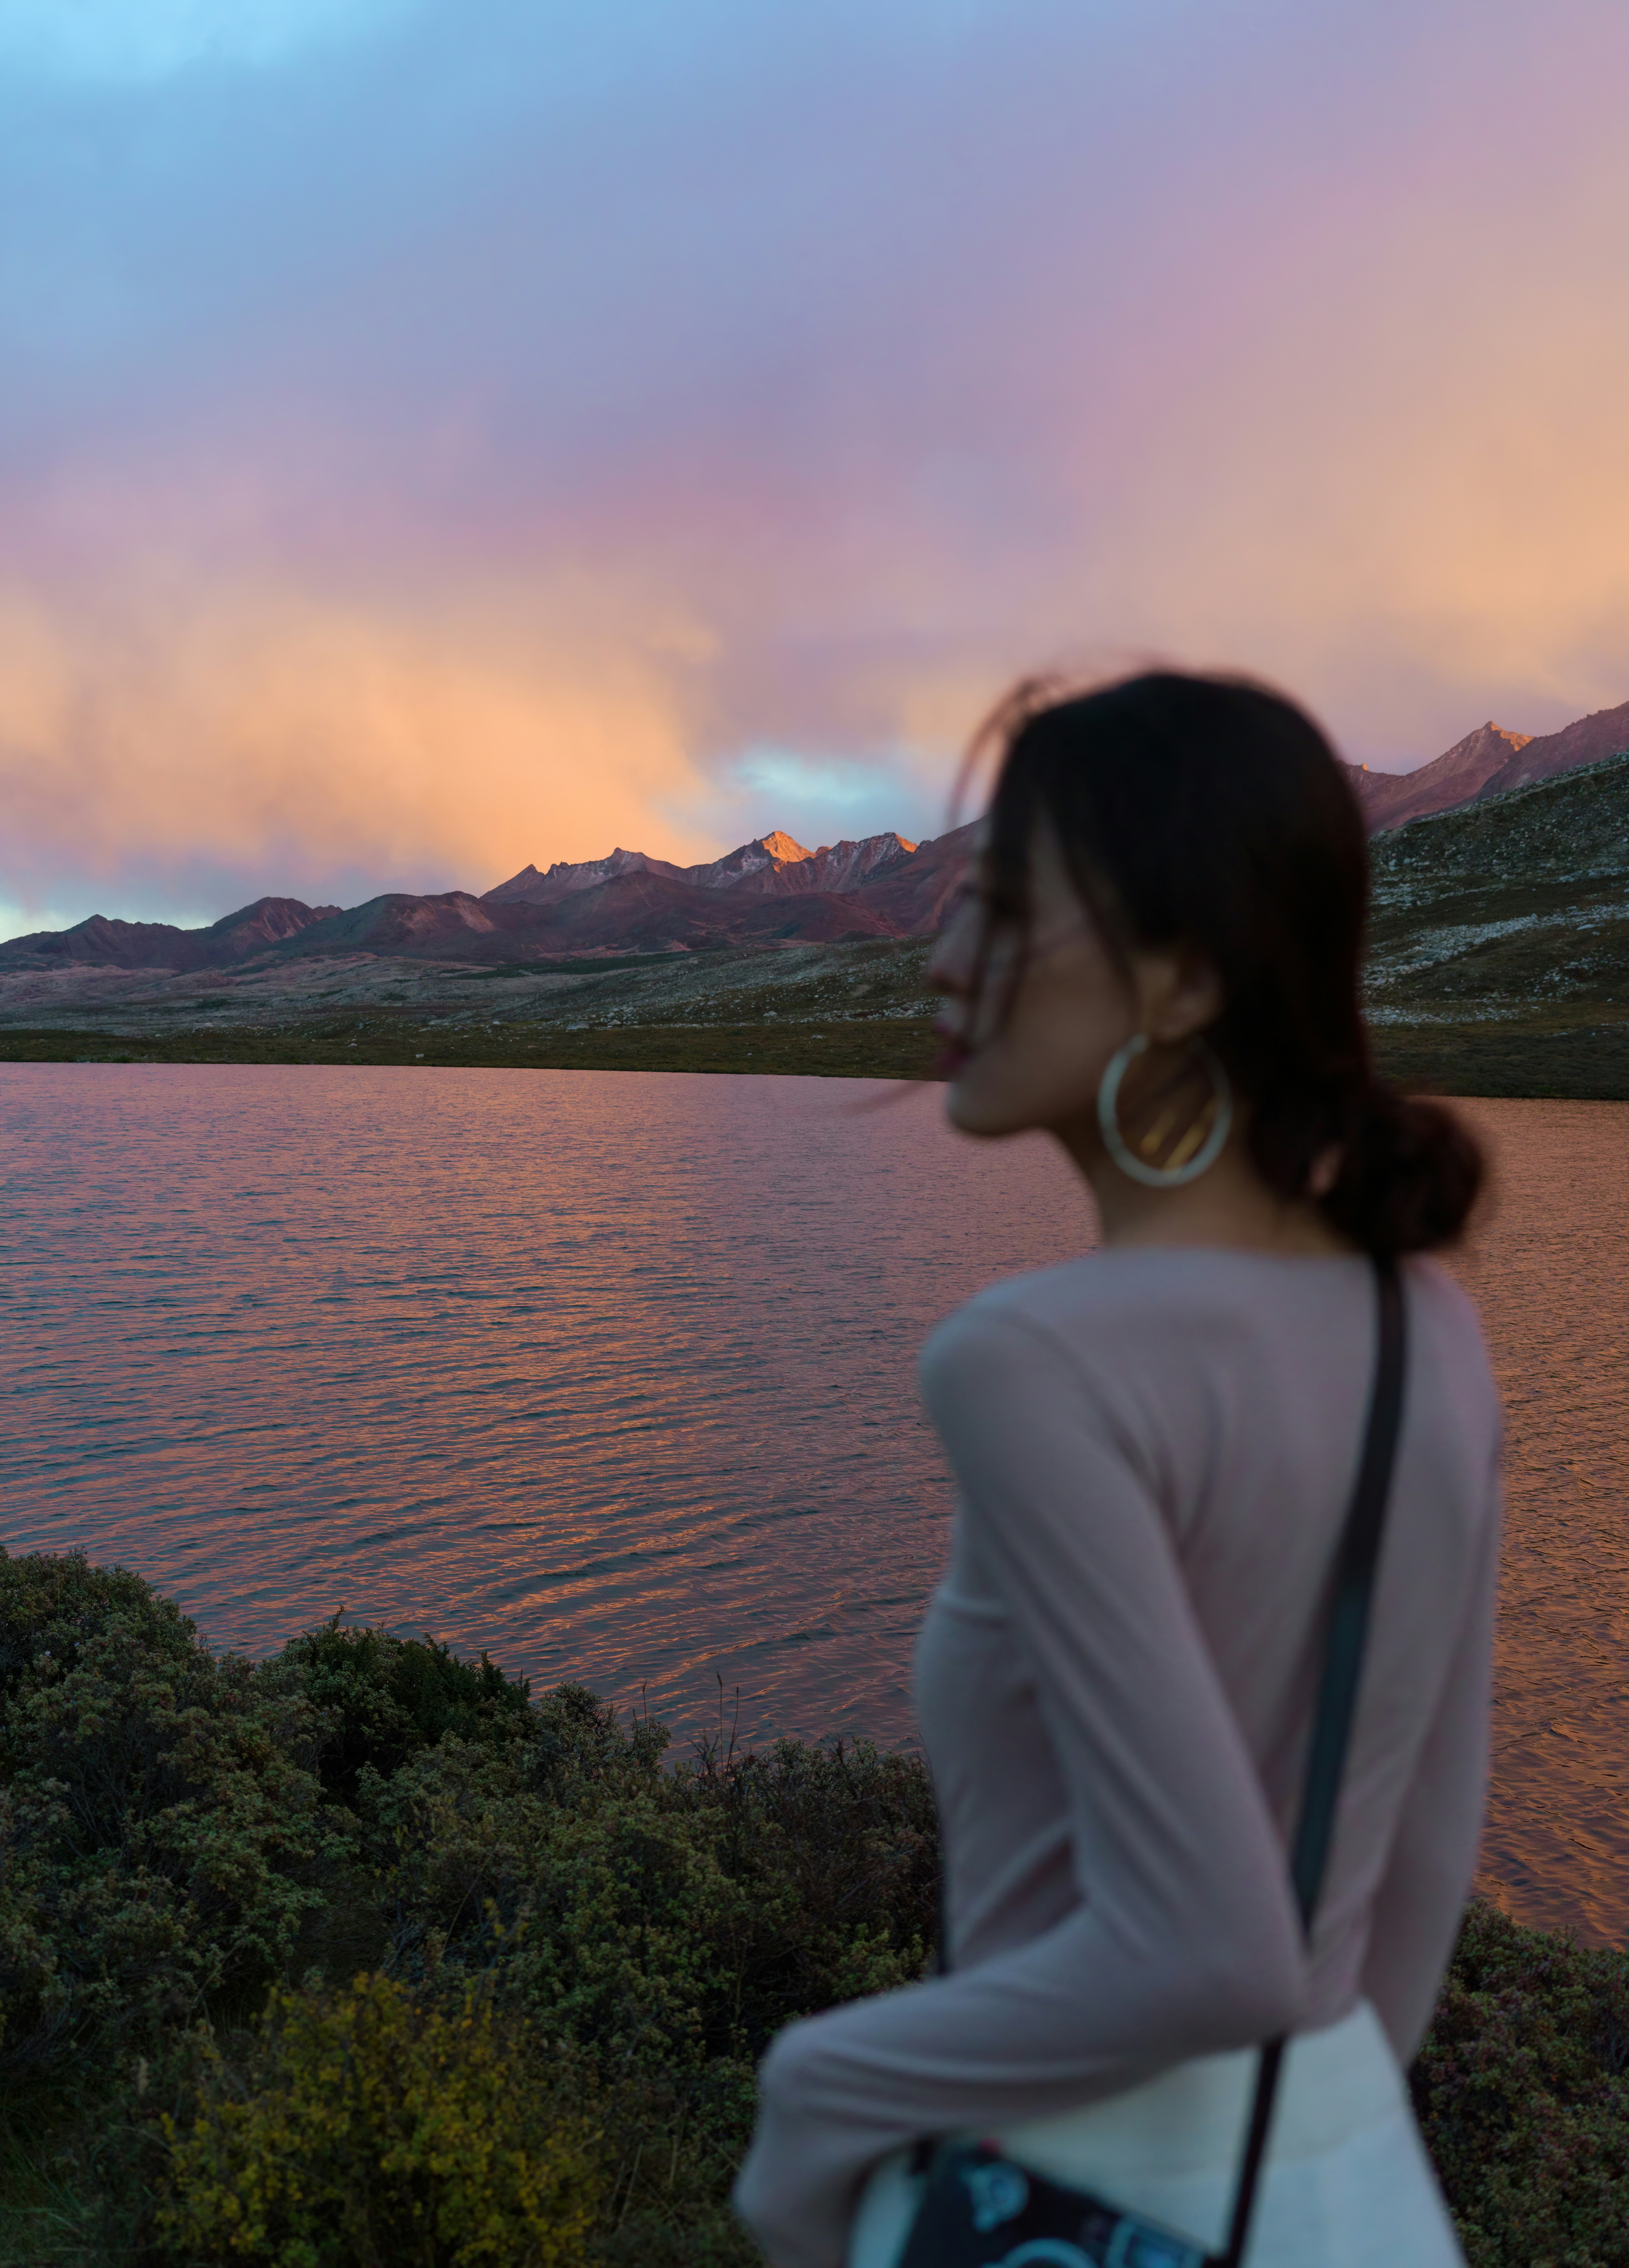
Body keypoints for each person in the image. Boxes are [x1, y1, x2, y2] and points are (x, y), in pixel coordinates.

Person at [732, 670, 1500, 2268]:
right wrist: (1310, 2141)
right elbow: (1421, 1859)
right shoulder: (1423, 1321)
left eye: (1004, 912)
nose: (940, 959)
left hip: (1064, 2202)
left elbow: (1212, 1944)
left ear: (1181, 979)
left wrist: (817, 2089)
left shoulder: (1032, 1359)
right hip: (1355, 2195)